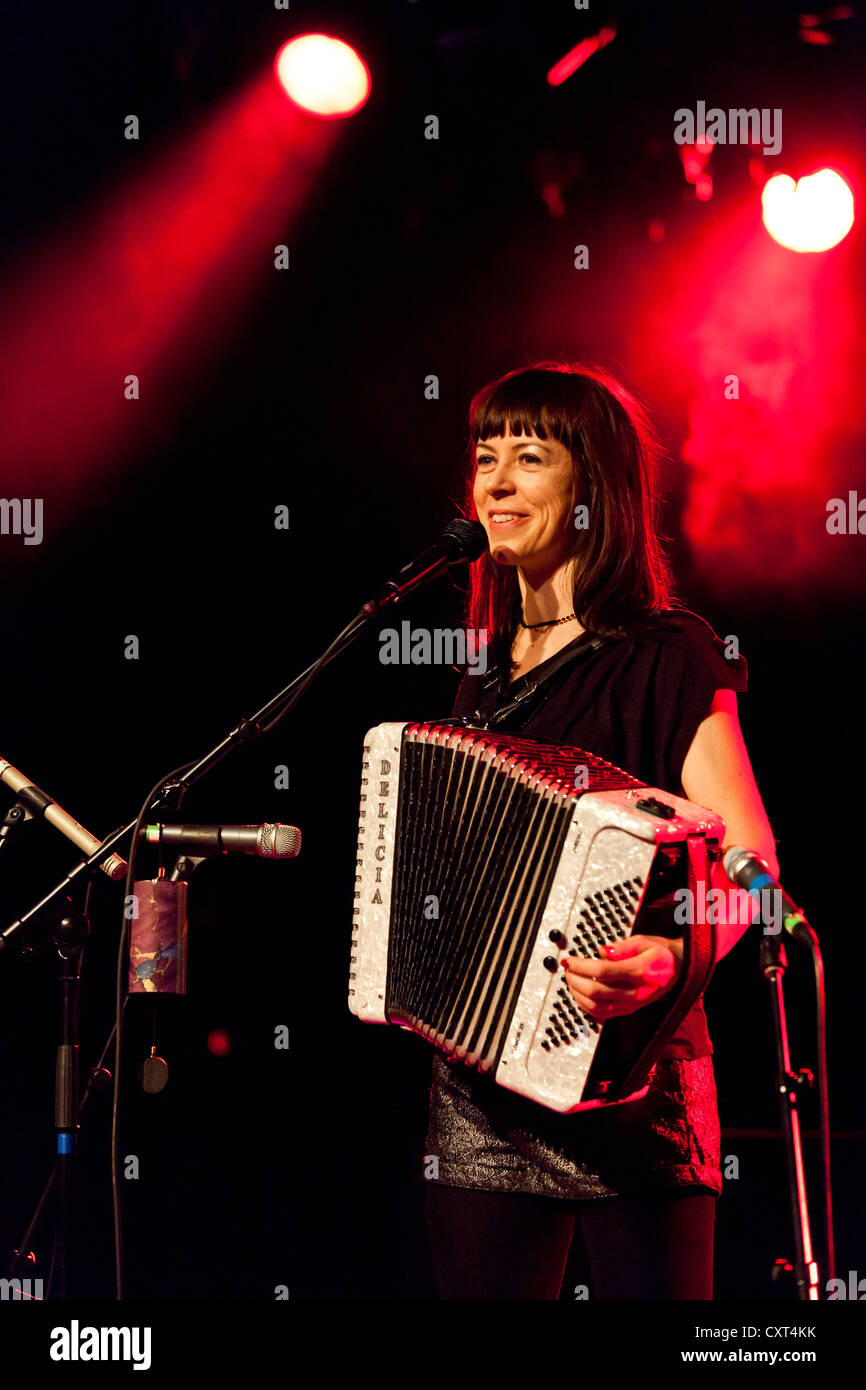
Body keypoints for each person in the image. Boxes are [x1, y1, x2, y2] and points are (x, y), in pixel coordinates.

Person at [423, 360, 779, 1300]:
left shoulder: (666, 655)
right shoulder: (483, 680)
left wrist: (669, 954)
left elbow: (754, 870)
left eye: (528, 458)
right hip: (481, 1096)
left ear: (593, 487)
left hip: (635, 1085)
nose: (493, 483)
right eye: (484, 457)